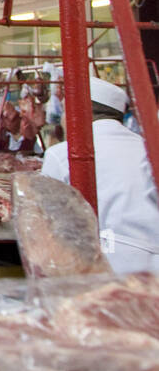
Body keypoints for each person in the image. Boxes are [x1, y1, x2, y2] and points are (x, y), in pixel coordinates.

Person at [41, 77, 159, 273]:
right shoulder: (145, 146)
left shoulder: (61, 153)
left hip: (110, 268)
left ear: (75, 112)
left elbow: (48, 221)